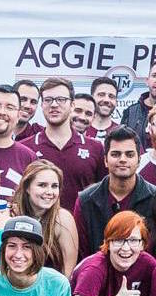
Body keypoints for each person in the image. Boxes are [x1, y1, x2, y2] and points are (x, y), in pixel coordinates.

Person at [76, 128, 156, 259]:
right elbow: (81, 255)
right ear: (105, 160)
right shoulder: (85, 201)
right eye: (115, 154)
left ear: (139, 160)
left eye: (129, 154)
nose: (122, 159)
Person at [24, 78, 104, 207]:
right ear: (42, 104)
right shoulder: (25, 148)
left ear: (72, 105)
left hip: (80, 225)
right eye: (48, 100)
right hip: (39, 225)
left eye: (61, 99)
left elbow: (103, 195)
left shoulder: (96, 148)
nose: (54, 105)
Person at [14, 160, 80, 274]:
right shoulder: (12, 214)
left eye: (54, 186)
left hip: (51, 288)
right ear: (27, 187)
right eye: (42, 185)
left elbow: (68, 272)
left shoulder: (62, 218)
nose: (50, 192)